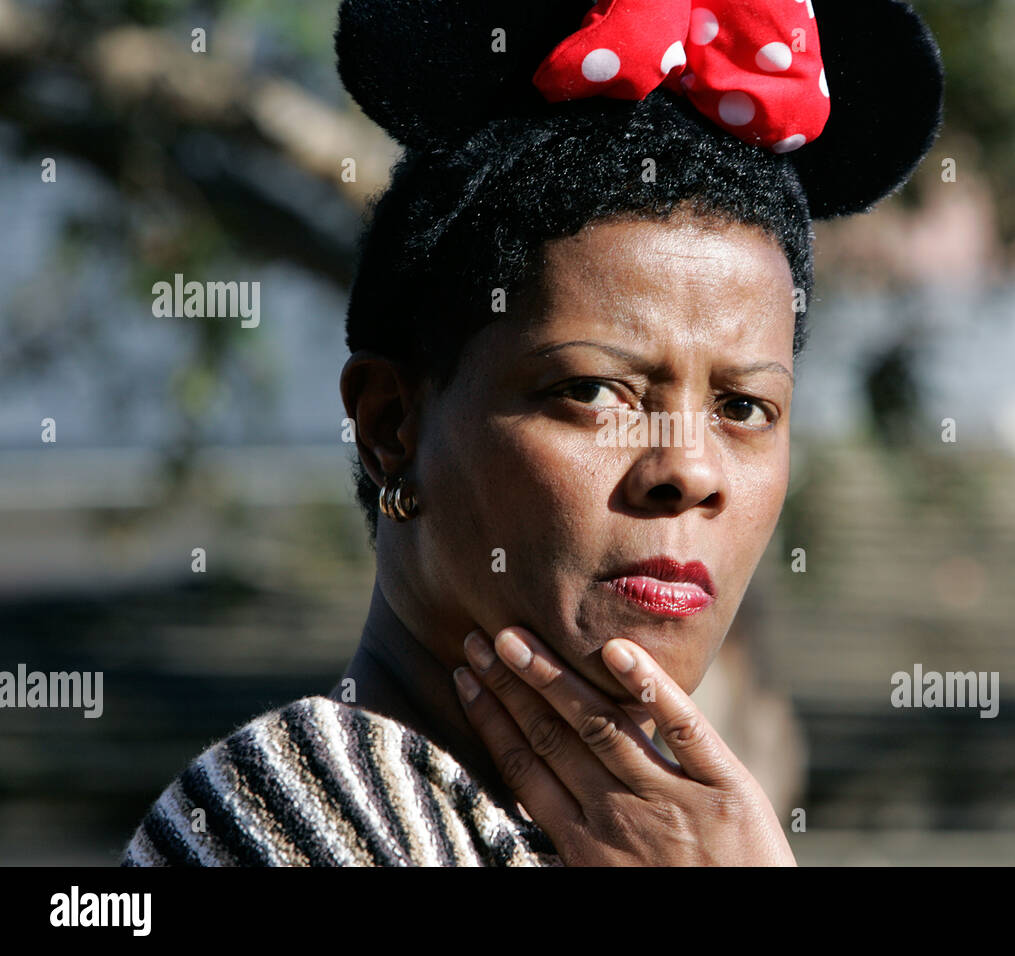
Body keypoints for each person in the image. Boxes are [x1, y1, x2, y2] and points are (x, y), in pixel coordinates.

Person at [121, 0, 943, 866]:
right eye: (594, 391)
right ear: (389, 426)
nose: (690, 469)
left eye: (743, 408)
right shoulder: (294, 816)